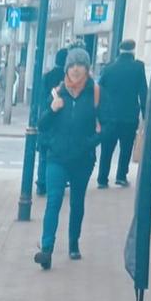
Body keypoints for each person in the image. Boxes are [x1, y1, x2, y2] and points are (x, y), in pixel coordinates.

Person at [34, 47, 99, 269]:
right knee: (53, 201)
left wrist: (89, 144)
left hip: (82, 160)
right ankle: (46, 249)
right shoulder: (57, 93)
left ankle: (73, 243)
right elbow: (41, 125)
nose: (75, 69)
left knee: (77, 202)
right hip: (57, 157)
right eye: (71, 65)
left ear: (87, 69)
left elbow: (107, 126)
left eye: (80, 65)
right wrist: (52, 109)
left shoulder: (95, 94)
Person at [96, 40, 147, 188]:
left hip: (110, 116)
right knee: (126, 148)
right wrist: (145, 114)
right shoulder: (138, 67)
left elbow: (99, 89)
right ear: (133, 50)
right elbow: (143, 91)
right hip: (129, 116)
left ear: (119, 50)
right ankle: (121, 176)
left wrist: (100, 113)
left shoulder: (109, 68)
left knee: (107, 149)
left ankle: (102, 179)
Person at [36, 47, 69, 196]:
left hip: (46, 117)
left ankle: (41, 182)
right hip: (60, 122)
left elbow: (41, 98)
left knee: (43, 155)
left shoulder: (47, 76)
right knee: (56, 155)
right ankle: (53, 183)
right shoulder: (68, 78)